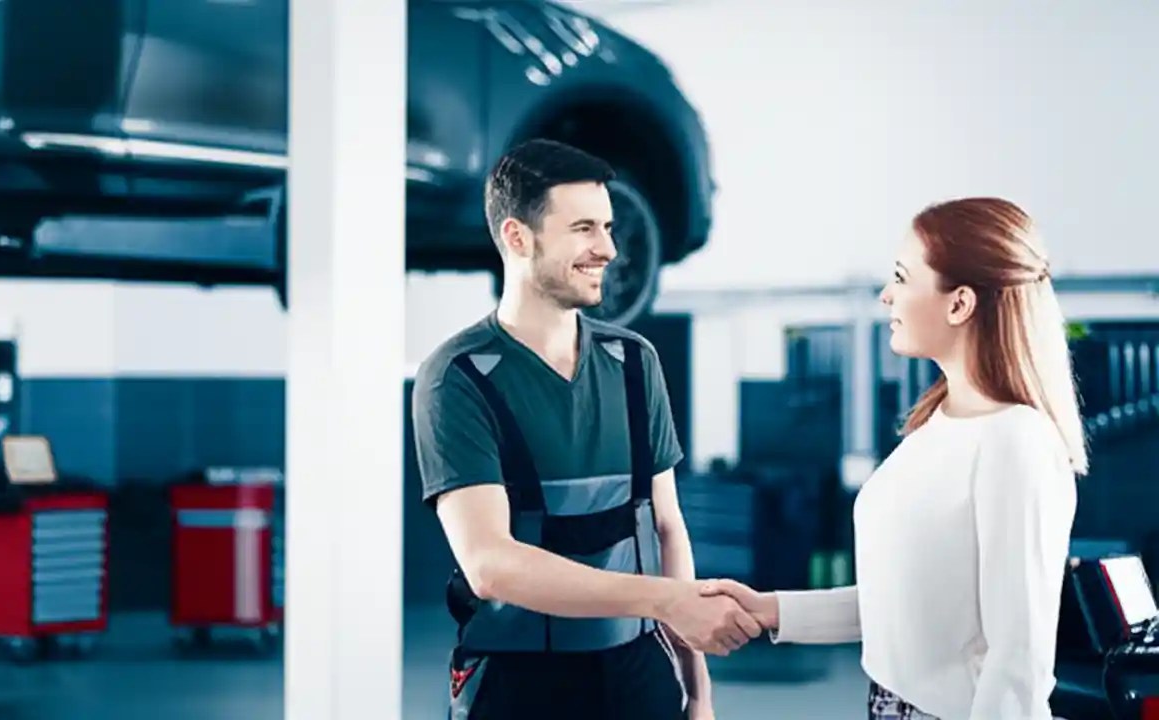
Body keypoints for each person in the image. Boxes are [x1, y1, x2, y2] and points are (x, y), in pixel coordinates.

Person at [411, 139, 760, 720]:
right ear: (519, 238)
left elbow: (665, 529)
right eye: (584, 229)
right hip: (519, 685)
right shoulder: (458, 377)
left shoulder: (633, 362)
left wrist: (697, 693)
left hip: (638, 674)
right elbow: (490, 564)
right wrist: (669, 600)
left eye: (607, 226)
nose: (608, 249)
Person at [703, 197, 1086, 719]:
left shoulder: (1017, 442)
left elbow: (1018, 660)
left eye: (902, 278)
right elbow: (907, 604)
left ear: (960, 304)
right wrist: (771, 610)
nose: (886, 296)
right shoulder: (936, 422)